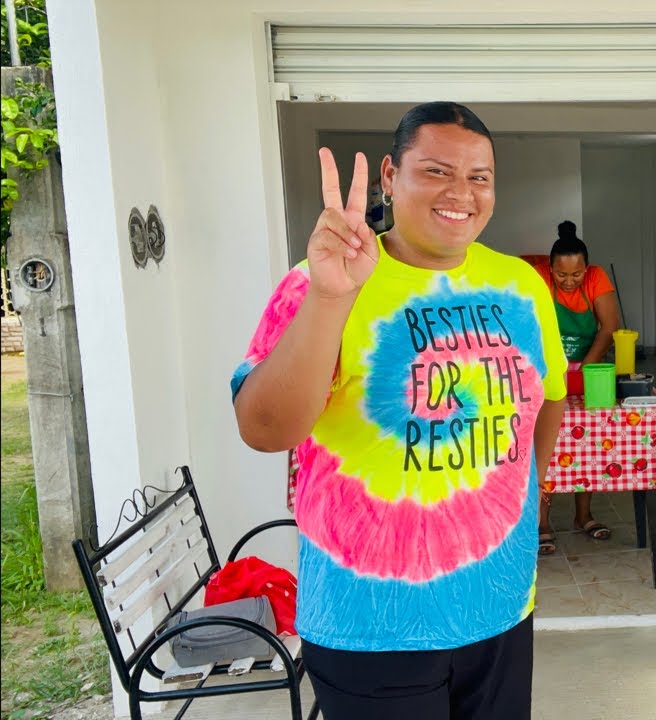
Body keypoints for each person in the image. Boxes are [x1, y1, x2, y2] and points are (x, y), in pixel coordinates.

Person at [231, 102, 568, 720]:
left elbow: (549, 396)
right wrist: (334, 298)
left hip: (498, 604)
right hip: (370, 623)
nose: (461, 194)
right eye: (437, 172)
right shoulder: (318, 281)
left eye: (479, 176)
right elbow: (263, 428)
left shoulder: (521, 284)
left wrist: (530, 489)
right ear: (390, 175)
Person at [531, 220, 623, 554]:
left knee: (590, 439)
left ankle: (583, 515)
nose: (569, 281)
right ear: (550, 268)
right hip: (548, 367)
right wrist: (552, 367)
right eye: (561, 275)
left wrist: (586, 367)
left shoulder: (597, 277)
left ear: (587, 268)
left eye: (577, 274)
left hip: (588, 367)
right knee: (547, 441)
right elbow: (531, 326)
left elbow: (609, 326)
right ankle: (542, 520)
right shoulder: (538, 277)